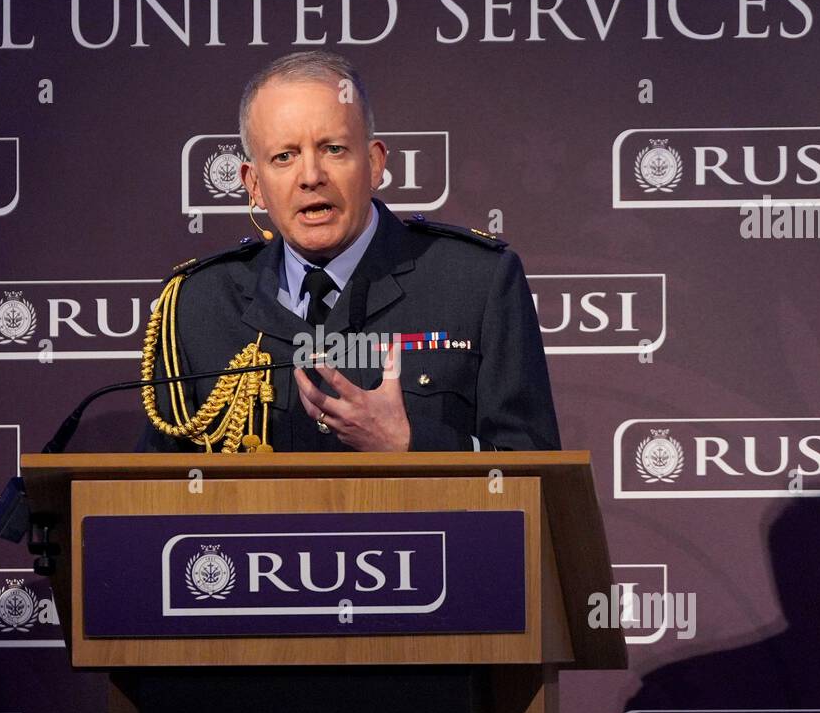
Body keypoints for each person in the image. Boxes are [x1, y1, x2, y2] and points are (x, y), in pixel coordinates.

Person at [137, 49, 559, 455]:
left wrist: (411, 444)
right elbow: (152, 497)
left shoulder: (475, 282)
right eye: (284, 156)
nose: (311, 176)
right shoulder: (199, 304)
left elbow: (534, 478)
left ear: (374, 164)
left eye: (333, 149)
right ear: (253, 184)